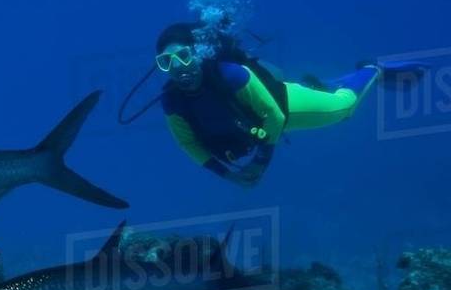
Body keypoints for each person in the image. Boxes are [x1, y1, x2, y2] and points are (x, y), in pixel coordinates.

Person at [156, 23, 422, 187]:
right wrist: (228, 176)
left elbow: (274, 115)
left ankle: (371, 69)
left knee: (345, 107)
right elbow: (188, 143)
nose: (178, 67)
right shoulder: (172, 100)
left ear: (197, 53)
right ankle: (323, 86)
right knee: (328, 98)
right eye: (166, 62)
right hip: (260, 123)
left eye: (184, 55)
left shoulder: (231, 75)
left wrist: (260, 163)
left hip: (284, 106)